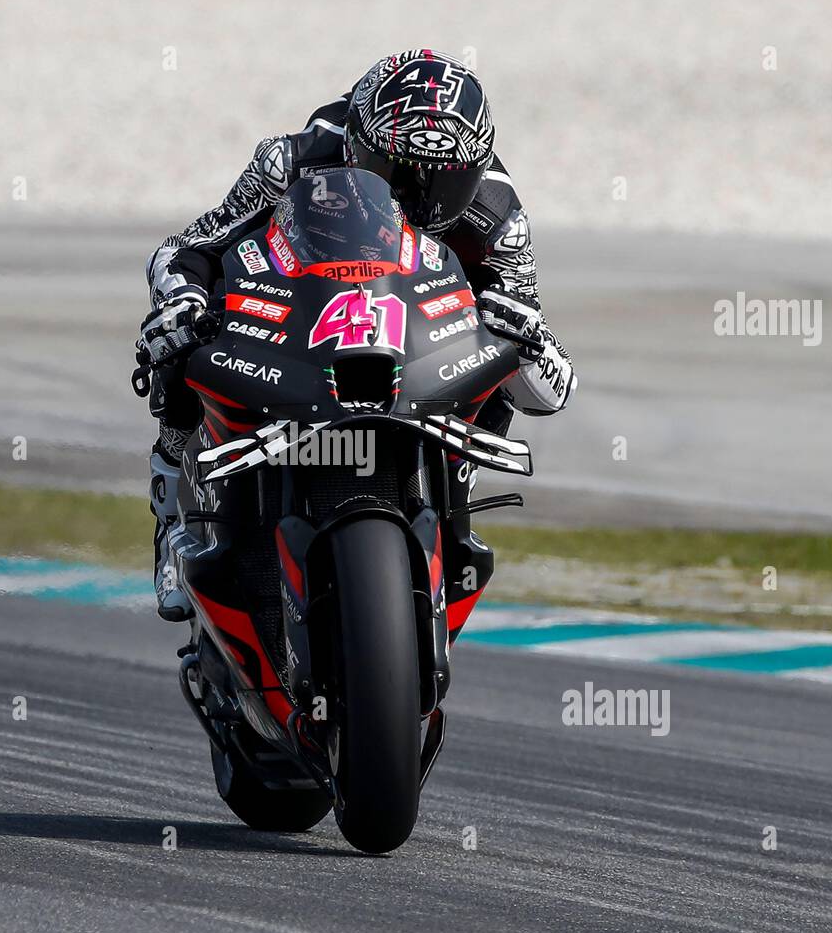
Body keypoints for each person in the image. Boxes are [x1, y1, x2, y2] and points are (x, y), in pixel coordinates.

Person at [138, 49, 576, 620]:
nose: (413, 200)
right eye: (395, 175)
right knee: (177, 335)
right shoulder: (290, 161)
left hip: (425, 339)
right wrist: (183, 300)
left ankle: (453, 500)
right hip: (298, 308)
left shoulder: (498, 216)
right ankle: (172, 508)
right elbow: (187, 249)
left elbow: (548, 384)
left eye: (440, 182)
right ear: (356, 144)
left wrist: (526, 337)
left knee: (501, 351)